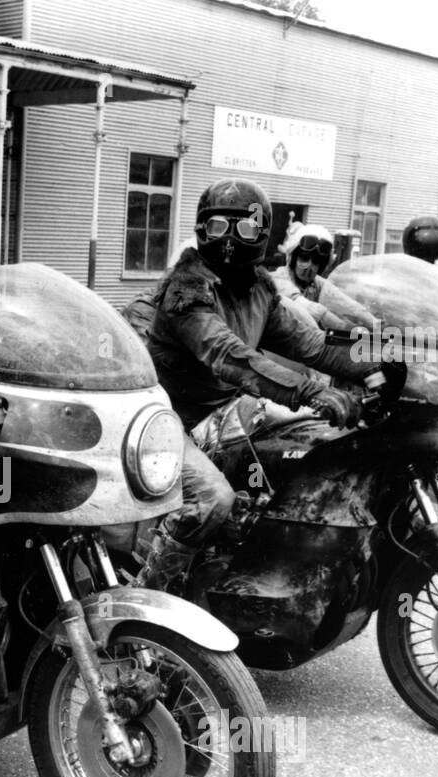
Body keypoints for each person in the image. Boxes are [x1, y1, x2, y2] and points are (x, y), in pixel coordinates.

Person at [122, 178, 380, 590]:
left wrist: (381, 362)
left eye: (241, 228)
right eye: (218, 226)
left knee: (319, 442)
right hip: (168, 422)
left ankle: (255, 568)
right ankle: (146, 603)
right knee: (212, 500)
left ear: (260, 235)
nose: (228, 240)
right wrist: (311, 391)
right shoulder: (186, 290)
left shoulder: (259, 290)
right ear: (201, 229)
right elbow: (229, 357)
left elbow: (313, 344)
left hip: (224, 412)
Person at [270, 223, 375, 334]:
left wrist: (375, 323)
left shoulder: (316, 283)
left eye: (315, 262)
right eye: (304, 259)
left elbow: (348, 304)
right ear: (293, 258)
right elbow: (312, 309)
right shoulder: (278, 279)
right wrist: (346, 329)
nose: (309, 267)